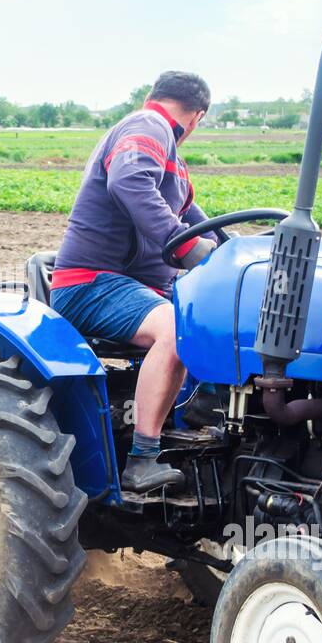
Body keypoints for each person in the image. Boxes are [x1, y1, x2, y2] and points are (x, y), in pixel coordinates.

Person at [51, 71, 216, 494]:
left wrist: (233, 252)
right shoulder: (149, 126)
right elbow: (130, 181)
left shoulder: (172, 161)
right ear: (196, 117)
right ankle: (142, 459)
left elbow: (197, 223)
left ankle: (207, 424)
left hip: (131, 288)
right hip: (93, 283)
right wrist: (184, 248)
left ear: (153, 94)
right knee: (178, 329)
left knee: (219, 320)